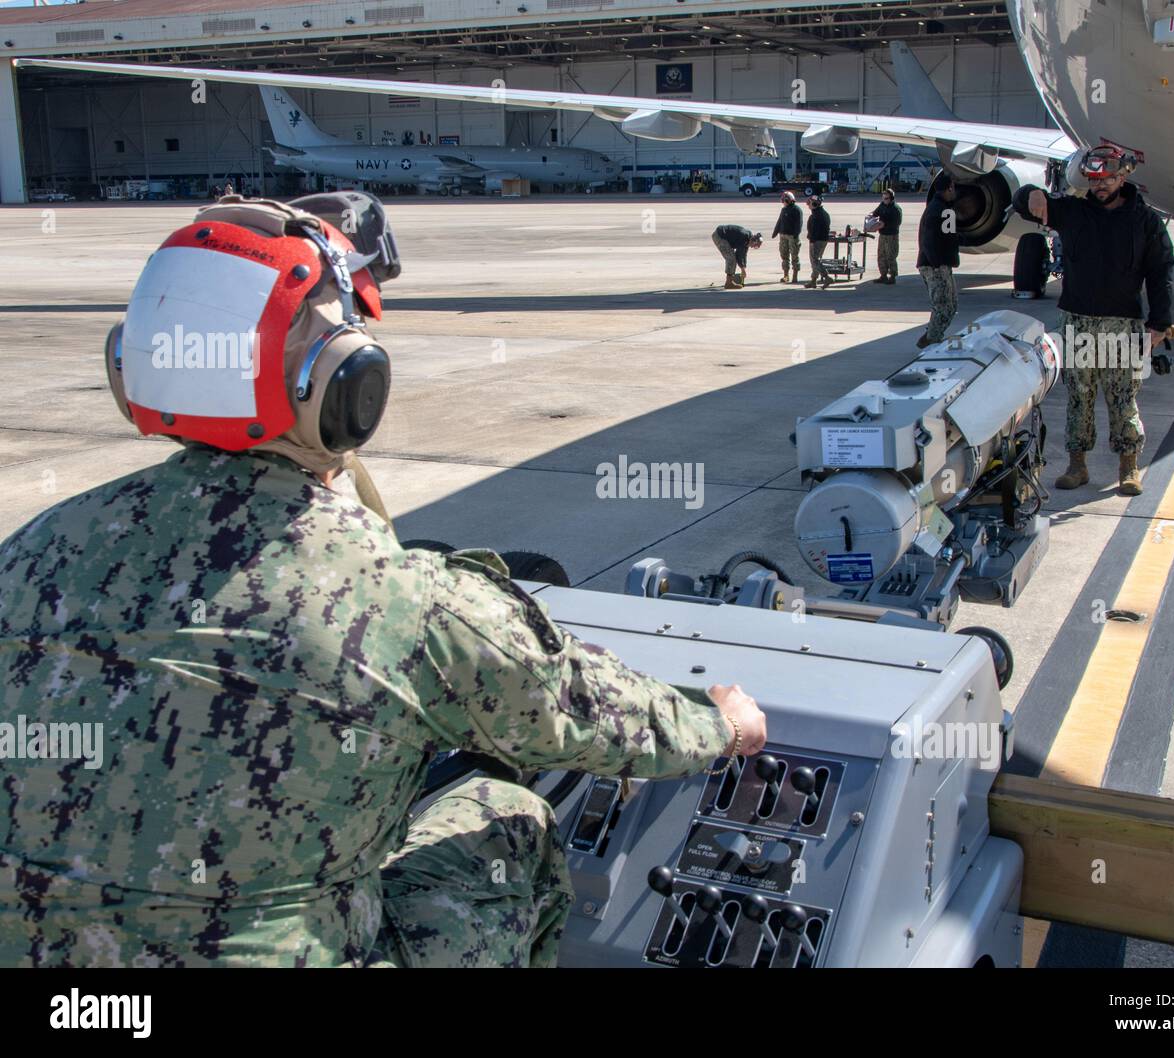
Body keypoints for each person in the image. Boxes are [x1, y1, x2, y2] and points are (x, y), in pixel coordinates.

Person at [0, 196, 768, 967]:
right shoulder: (402, 600)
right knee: (505, 813)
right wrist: (721, 724)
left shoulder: (27, 555)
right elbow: (589, 714)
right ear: (343, 385)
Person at [1011, 145, 1174, 496]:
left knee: (1123, 397)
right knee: (1079, 396)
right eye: (1095, 180)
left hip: (1123, 324)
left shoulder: (1145, 222)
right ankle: (1077, 465)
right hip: (1079, 321)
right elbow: (1023, 200)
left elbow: (1161, 272)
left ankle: (1129, 467)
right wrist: (1032, 194)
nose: (1101, 186)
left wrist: (1159, 323)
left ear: (1124, 176)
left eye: (1109, 179)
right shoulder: (1073, 212)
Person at [916, 174, 960, 347]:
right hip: (935, 265)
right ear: (949, 188)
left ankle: (933, 334)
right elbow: (928, 241)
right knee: (943, 305)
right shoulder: (939, 210)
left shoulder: (941, 209)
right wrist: (937, 264)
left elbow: (949, 237)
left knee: (950, 305)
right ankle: (932, 339)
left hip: (939, 263)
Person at [865, 187, 902, 284]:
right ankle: (883, 275)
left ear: (891, 199)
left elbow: (897, 223)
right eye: (883, 198)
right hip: (883, 235)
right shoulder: (882, 205)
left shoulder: (896, 209)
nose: (884, 200)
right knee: (881, 255)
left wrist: (883, 224)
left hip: (891, 236)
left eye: (886, 198)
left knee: (891, 256)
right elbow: (875, 213)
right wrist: (870, 216)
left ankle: (893, 276)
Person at [712, 223, 762, 289]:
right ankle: (729, 283)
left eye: (755, 247)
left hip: (722, 235)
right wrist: (742, 269)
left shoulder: (747, 238)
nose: (753, 247)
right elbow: (739, 254)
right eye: (755, 245)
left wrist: (743, 268)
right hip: (720, 236)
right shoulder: (744, 237)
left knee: (732, 258)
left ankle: (730, 280)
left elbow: (743, 254)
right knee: (731, 259)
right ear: (753, 241)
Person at [772, 191, 803, 284]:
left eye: (784, 200)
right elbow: (779, 221)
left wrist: (796, 234)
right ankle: (786, 275)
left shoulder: (797, 210)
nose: (783, 202)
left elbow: (799, 224)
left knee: (794, 256)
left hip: (792, 236)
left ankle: (795, 275)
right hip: (783, 235)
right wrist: (775, 232)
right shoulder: (784, 209)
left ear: (789, 200)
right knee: (784, 255)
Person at [804, 195, 832, 290]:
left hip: (817, 241)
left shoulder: (816, 215)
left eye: (810, 203)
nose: (808, 205)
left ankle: (827, 277)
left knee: (815, 260)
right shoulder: (823, 213)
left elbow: (815, 230)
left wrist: (812, 241)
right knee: (815, 260)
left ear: (814, 204)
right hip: (822, 240)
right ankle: (813, 280)